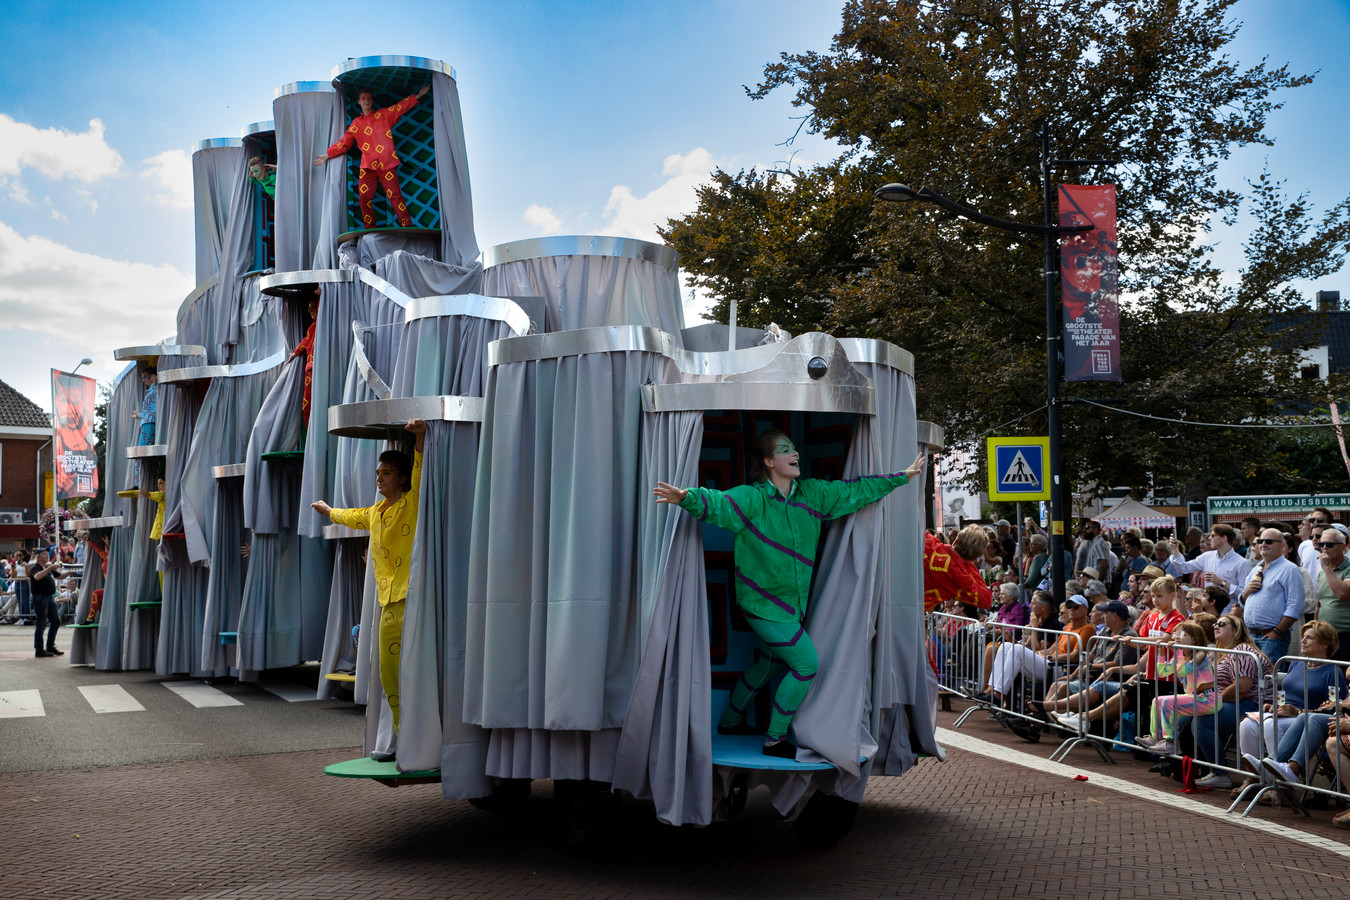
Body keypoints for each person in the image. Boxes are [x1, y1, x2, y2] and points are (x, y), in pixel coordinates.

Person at [654, 429, 925, 759]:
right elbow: (719, 504)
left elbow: (855, 491)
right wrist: (686, 498)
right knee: (806, 664)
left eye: (794, 448)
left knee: (767, 666)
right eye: (785, 450)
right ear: (769, 461)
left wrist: (902, 477)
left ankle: (730, 721)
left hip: (791, 607)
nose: (795, 453)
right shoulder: (753, 498)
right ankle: (775, 739)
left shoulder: (812, 494)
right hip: (761, 604)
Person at [311, 419, 427, 737]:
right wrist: (329, 511)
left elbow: (419, 472)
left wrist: (419, 439)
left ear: (401, 478)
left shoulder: (411, 503)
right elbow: (352, 516)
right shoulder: (376, 512)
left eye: (386, 473)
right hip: (389, 603)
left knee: (418, 671)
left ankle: (422, 736)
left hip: (412, 599)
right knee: (388, 673)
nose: (379, 478)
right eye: (378, 473)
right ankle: (403, 736)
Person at [1236, 621, 1347, 785]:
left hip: (1304, 718)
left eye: (1309, 638)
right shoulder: (1296, 662)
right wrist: (1276, 704)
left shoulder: (1332, 671)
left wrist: (1298, 711)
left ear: (1325, 644)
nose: (1302, 640)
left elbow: (1331, 706)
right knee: (1247, 724)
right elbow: (1284, 689)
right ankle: (1253, 778)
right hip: (1285, 714)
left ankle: (1276, 784)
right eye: (1303, 637)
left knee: (1270, 726)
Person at [313, 85, 431, 229]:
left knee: (395, 195)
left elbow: (400, 107)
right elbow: (345, 143)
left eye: (368, 98)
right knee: (364, 198)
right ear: (359, 102)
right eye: (363, 98)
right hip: (367, 166)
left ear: (372, 101)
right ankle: (370, 228)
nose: (366, 100)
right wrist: (328, 154)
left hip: (387, 164)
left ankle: (407, 224)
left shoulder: (384, 115)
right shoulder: (356, 123)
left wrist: (417, 95)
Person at [1190, 614, 1272, 789]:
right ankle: (1186, 766)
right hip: (1233, 703)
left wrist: (1212, 701)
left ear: (1235, 630)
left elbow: (1241, 688)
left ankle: (1219, 773)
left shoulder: (1243, 651)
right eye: (1214, 624)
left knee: (1201, 721)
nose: (1215, 626)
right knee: (1183, 713)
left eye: (1221, 624)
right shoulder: (1225, 652)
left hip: (1253, 706)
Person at [1138, 620, 1218, 755]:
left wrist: (1178, 653)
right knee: (1156, 701)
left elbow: (1183, 671)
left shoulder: (1201, 654)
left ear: (1194, 639)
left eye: (1181, 634)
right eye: (1175, 634)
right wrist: (1161, 653)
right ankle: (1156, 737)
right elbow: (1162, 672)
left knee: (1169, 702)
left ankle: (1171, 742)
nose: (1176, 637)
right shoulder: (1180, 656)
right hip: (1193, 697)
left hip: (1207, 699)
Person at [1236, 527, 1306, 665]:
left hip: (1271, 637)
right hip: (1251, 635)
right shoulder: (1256, 569)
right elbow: (1243, 601)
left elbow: (1295, 606)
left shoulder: (1290, 569)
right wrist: (1246, 593)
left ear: (1281, 545)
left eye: (1268, 541)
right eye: (1261, 541)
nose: (1263, 544)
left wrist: (1277, 632)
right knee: (1253, 678)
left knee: (1268, 681)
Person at [1168, 524, 1251, 612]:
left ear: (1224, 538)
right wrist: (1175, 549)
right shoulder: (1207, 556)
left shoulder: (1242, 563)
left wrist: (1222, 582)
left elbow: (1244, 593)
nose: (1210, 538)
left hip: (1228, 612)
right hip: (1207, 611)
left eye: (1213, 536)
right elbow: (1184, 568)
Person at [923, 524, 992, 612]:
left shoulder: (929, 541)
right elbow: (986, 601)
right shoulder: (961, 578)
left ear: (956, 541)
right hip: (907, 609)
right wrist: (968, 563)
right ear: (976, 556)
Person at [290, 287, 322, 440]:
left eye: (313, 308)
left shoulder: (324, 322)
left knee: (318, 405)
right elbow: (305, 342)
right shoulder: (312, 328)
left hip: (319, 368)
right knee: (307, 407)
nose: (311, 312)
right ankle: (311, 437)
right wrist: (295, 353)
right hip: (310, 370)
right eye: (309, 309)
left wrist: (324, 295)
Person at [1314, 526, 1350, 663]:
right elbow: (1319, 603)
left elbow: (1343, 593)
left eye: (1329, 544)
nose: (1324, 548)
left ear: (1343, 546)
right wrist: (1316, 627)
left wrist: (1327, 568)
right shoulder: (1323, 571)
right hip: (1325, 635)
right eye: (1321, 544)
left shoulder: (1343, 567)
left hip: (1345, 634)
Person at [29, 549, 63, 658]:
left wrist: (71, 570)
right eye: (44, 554)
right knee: (41, 623)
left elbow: (60, 576)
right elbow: (36, 577)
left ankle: (50, 646)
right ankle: (39, 650)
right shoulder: (36, 568)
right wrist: (50, 568)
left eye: (47, 554)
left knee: (56, 621)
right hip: (40, 598)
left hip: (49, 597)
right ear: (38, 557)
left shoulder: (47, 567)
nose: (47, 555)